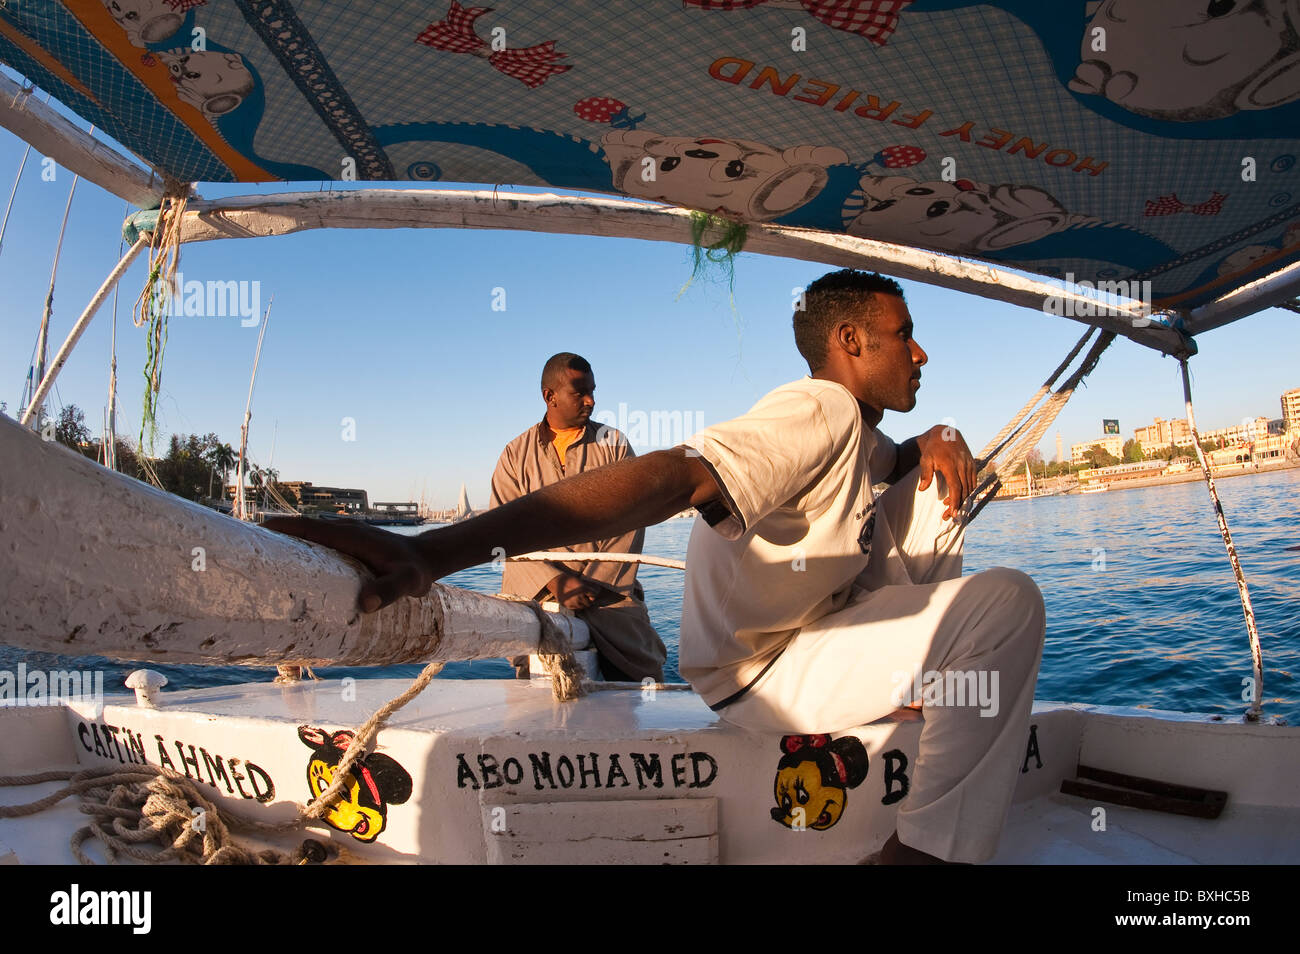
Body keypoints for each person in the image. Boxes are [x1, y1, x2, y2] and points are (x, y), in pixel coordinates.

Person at [265, 269, 1045, 865]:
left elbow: (892, 462)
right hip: (762, 672)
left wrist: (936, 438)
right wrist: (433, 553)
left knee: (938, 488)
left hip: (808, 641)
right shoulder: (820, 410)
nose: (921, 351)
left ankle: (921, 681)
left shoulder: (857, 431)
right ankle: (926, 854)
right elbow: (680, 475)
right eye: (904, 333)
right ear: (850, 343)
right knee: (1007, 604)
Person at [488, 353, 667, 683]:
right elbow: (501, 534)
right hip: (538, 596)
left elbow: (632, 517)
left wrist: (589, 587)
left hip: (608, 595)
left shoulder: (612, 445)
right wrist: (555, 582)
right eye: (580, 392)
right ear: (549, 396)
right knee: (534, 700)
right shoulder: (515, 455)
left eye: (593, 391)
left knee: (643, 676)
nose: (591, 401)